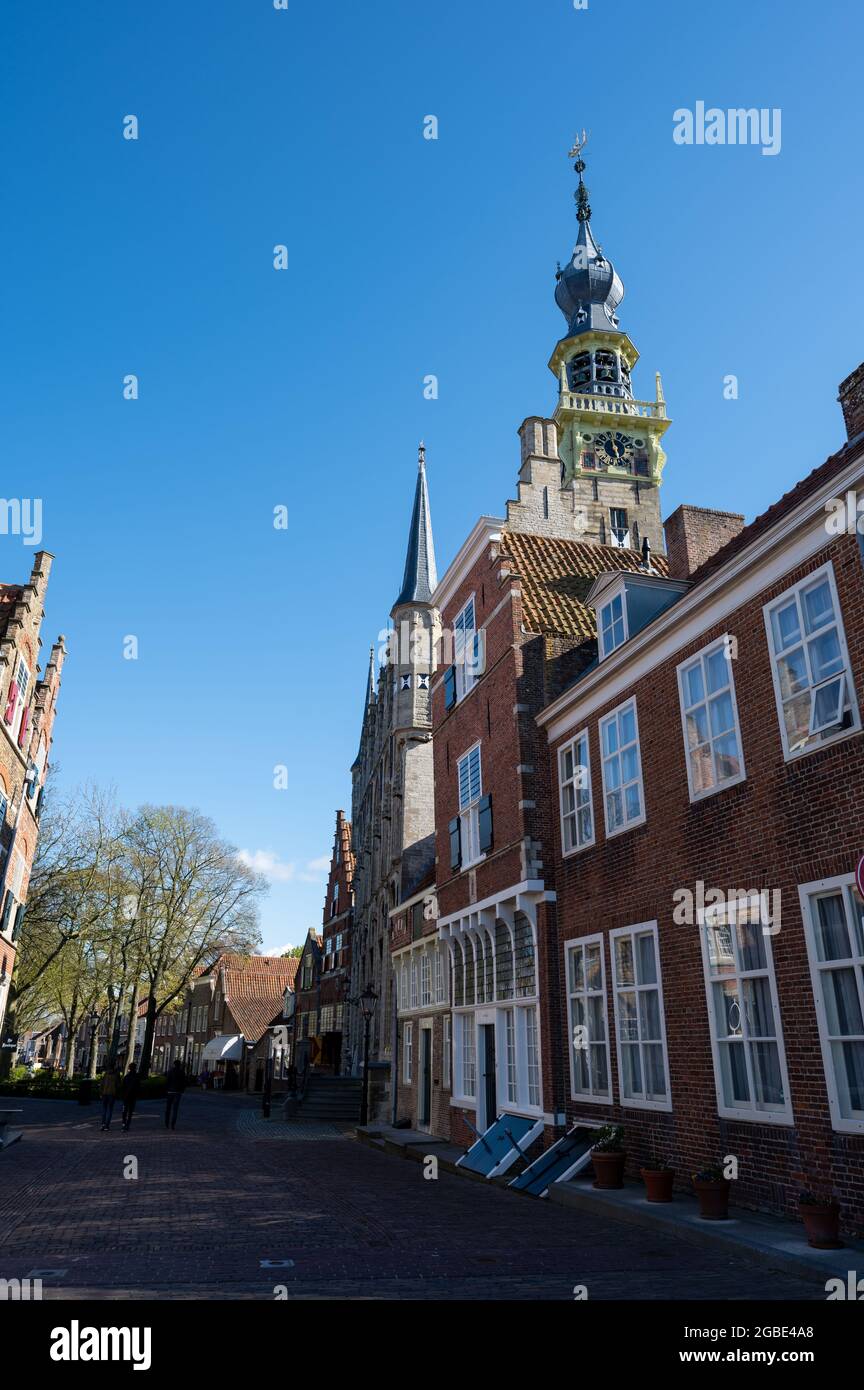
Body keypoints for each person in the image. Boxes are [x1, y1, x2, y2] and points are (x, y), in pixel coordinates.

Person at [165, 1060, 187, 1130]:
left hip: (170, 1092)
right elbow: (184, 1082)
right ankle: (172, 1124)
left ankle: (166, 1123)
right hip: (178, 1092)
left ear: (174, 1064)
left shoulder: (170, 1071)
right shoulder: (182, 1072)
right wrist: (182, 1090)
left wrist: (167, 1089)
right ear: (179, 1065)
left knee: (168, 1108)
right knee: (175, 1109)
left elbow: (167, 1081)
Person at [121, 1062, 140, 1131]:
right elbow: (138, 1087)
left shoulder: (126, 1077)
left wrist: (123, 1095)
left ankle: (123, 1123)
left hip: (126, 1096)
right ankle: (127, 1125)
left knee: (124, 1111)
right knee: (130, 1112)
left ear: (129, 1068)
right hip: (133, 1097)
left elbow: (123, 1087)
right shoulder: (137, 1077)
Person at [100, 1066, 120, 1131]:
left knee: (104, 1109)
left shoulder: (105, 1074)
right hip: (112, 1094)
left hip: (104, 1093)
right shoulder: (116, 1075)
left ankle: (102, 1124)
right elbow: (118, 1085)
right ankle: (107, 1126)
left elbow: (102, 1084)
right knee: (110, 1110)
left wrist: (101, 1093)